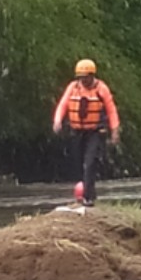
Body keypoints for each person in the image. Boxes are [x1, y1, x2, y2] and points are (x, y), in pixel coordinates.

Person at [52, 58, 121, 206]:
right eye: (81, 77)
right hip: (77, 132)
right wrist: (57, 120)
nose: (83, 80)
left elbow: (111, 111)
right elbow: (63, 104)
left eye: (86, 77)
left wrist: (115, 131)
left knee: (89, 163)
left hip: (95, 132)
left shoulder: (101, 89)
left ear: (92, 75)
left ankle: (88, 198)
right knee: (78, 164)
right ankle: (87, 193)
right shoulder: (73, 87)